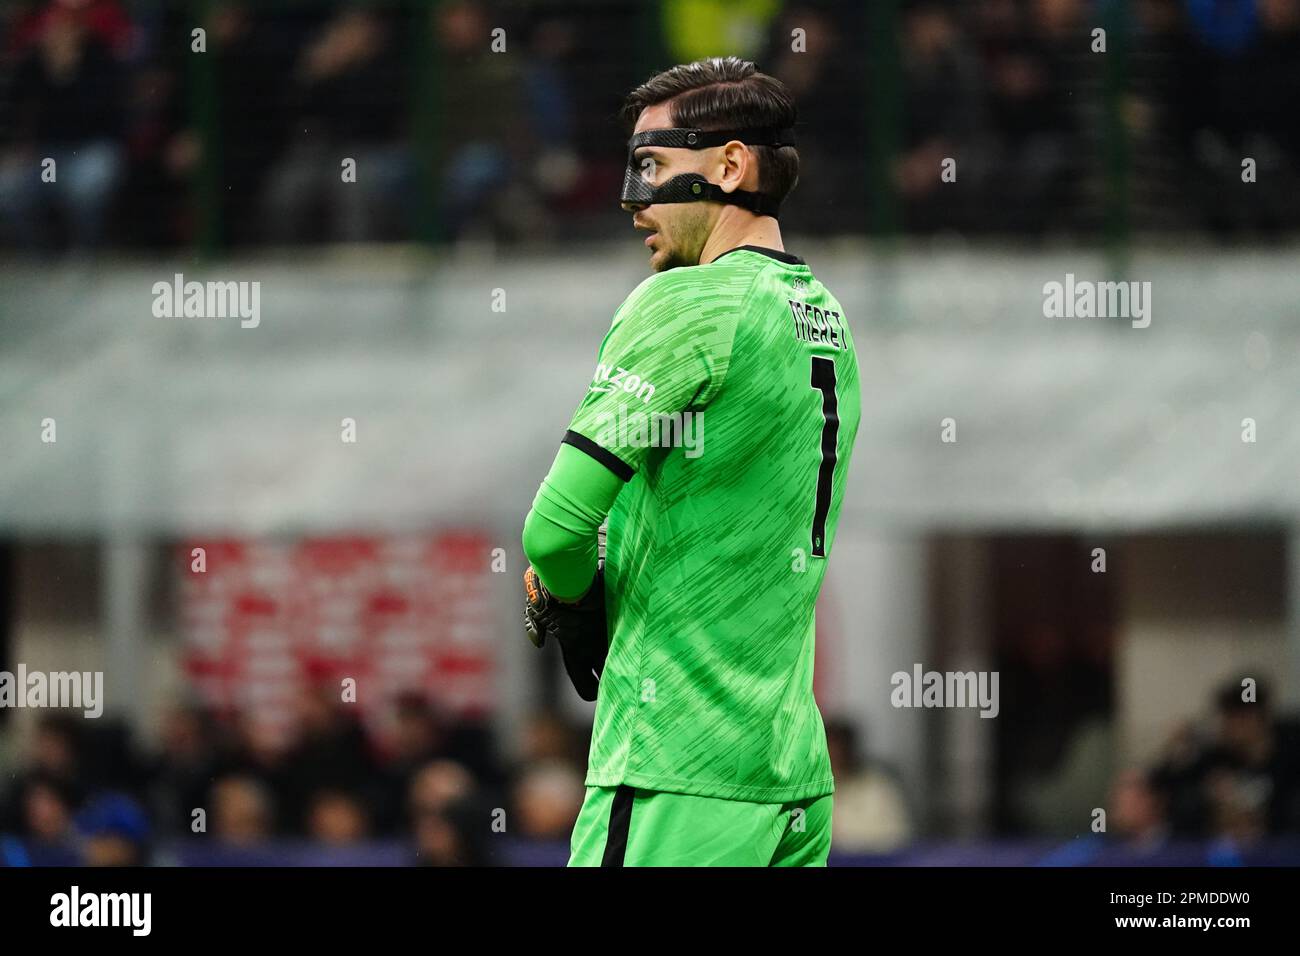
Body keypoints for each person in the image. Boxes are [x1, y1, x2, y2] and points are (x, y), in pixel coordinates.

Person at [520, 57, 861, 866]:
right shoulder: (825, 316)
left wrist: (576, 604)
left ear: (732, 166)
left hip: (677, 770)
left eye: (651, 167)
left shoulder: (687, 301)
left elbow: (552, 533)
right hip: (791, 777)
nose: (631, 199)